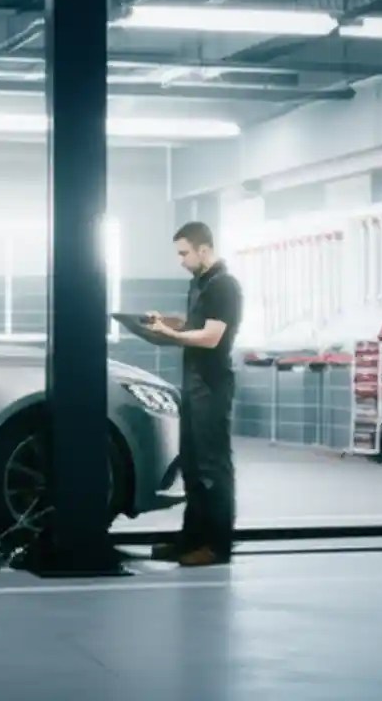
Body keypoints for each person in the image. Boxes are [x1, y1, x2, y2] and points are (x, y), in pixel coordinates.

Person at [144, 221, 242, 567]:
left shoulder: (224, 286)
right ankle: (191, 540)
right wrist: (164, 323)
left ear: (204, 249)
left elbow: (211, 337)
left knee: (212, 467)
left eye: (184, 252)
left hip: (212, 386)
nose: (181, 260)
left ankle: (216, 546)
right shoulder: (199, 284)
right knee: (192, 464)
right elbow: (194, 325)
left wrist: (169, 336)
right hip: (195, 383)